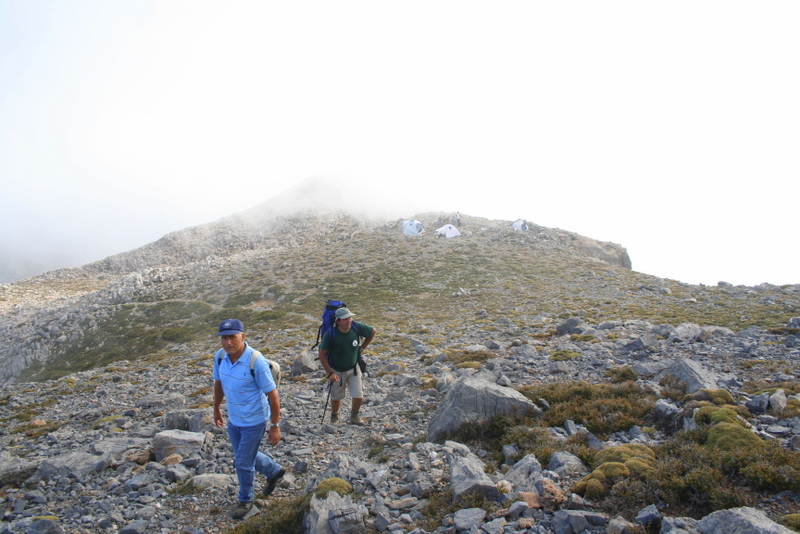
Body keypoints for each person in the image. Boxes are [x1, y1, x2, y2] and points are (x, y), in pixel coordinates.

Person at [213, 319, 285, 520]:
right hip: (234, 419)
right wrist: (217, 407)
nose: (228, 343)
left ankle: (246, 500)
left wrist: (275, 426)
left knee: (242, 462)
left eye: (232, 337)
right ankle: (275, 471)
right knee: (244, 456)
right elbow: (219, 384)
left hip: (254, 421)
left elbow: (273, 395)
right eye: (224, 338)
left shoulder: (256, 361)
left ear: (243, 337)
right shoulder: (220, 357)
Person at [318, 307, 376, 424]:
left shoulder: (356, 327)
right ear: (338, 321)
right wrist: (330, 372)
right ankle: (334, 416)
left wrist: (362, 348)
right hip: (337, 370)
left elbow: (372, 331)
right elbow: (322, 355)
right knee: (336, 397)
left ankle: (354, 416)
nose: (349, 320)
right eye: (345, 319)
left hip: (353, 368)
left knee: (358, 395)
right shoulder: (331, 334)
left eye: (350, 317)